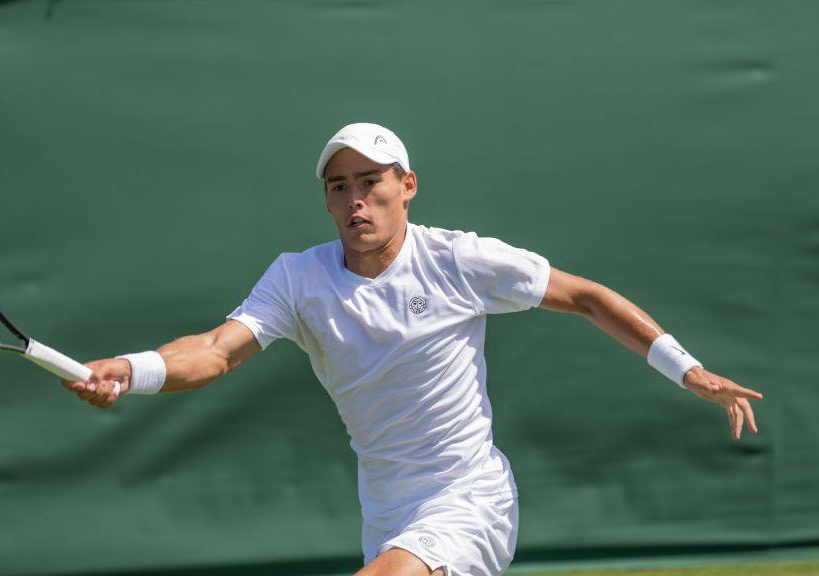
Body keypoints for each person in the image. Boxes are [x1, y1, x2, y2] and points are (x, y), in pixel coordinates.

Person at [61, 123, 763, 576]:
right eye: (340, 187)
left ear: (407, 186)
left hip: (469, 499)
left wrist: (687, 368)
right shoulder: (297, 279)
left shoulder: (459, 260)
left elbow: (585, 296)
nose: (356, 200)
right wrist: (132, 370)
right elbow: (215, 351)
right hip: (385, 512)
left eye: (371, 182)